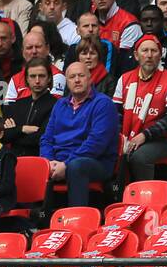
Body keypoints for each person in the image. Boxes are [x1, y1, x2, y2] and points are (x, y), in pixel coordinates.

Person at [39, 61, 119, 208]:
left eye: (81, 75)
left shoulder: (103, 103)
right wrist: (48, 162)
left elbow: (96, 144)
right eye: (72, 77)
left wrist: (66, 164)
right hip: (59, 161)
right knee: (27, 164)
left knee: (76, 166)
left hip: (95, 161)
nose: (76, 80)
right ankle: (34, 222)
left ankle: (77, 218)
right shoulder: (60, 104)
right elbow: (46, 139)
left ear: (90, 79)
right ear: (67, 82)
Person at [112, 34, 167, 182]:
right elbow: (116, 114)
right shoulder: (124, 79)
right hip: (129, 136)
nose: (149, 55)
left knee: (139, 156)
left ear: (160, 55)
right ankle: (117, 197)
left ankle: (145, 196)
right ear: (136, 55)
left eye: (154, 51)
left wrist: (144, 135)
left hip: (162, 140)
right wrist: (121, 138)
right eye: (144, 50)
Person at [2, 58, 58, 158]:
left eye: (41, 76)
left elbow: (41, 138)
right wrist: (23, 129)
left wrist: (15, 132)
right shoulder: (18, 104)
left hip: (40, 159)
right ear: (26, 79)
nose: (37, 81)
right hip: (14, 161)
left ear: (49, 78)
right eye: (32, 76)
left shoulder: (56, 105)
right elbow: (3, 135)